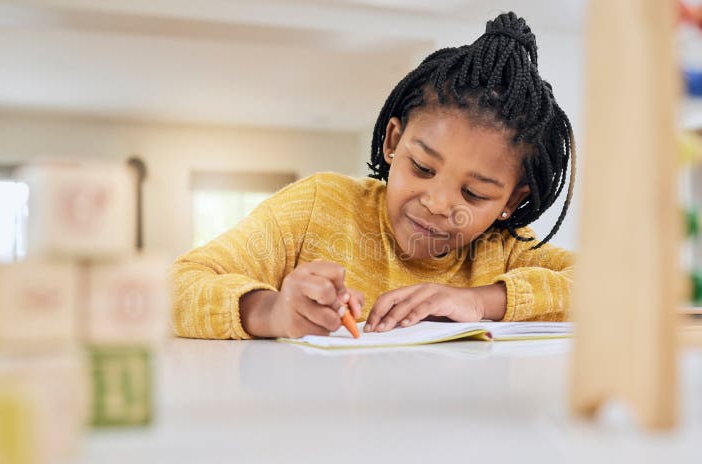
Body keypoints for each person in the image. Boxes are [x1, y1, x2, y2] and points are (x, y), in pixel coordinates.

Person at [171, 11, 576, 340]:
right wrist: (272, 312)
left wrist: (480, 302)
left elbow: (615, 289)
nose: (437, 204)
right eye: (422, 168)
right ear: (393, 141)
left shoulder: (503, 251)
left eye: (472, 193)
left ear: (509, 202)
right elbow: (178, 286)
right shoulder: (316, 207)